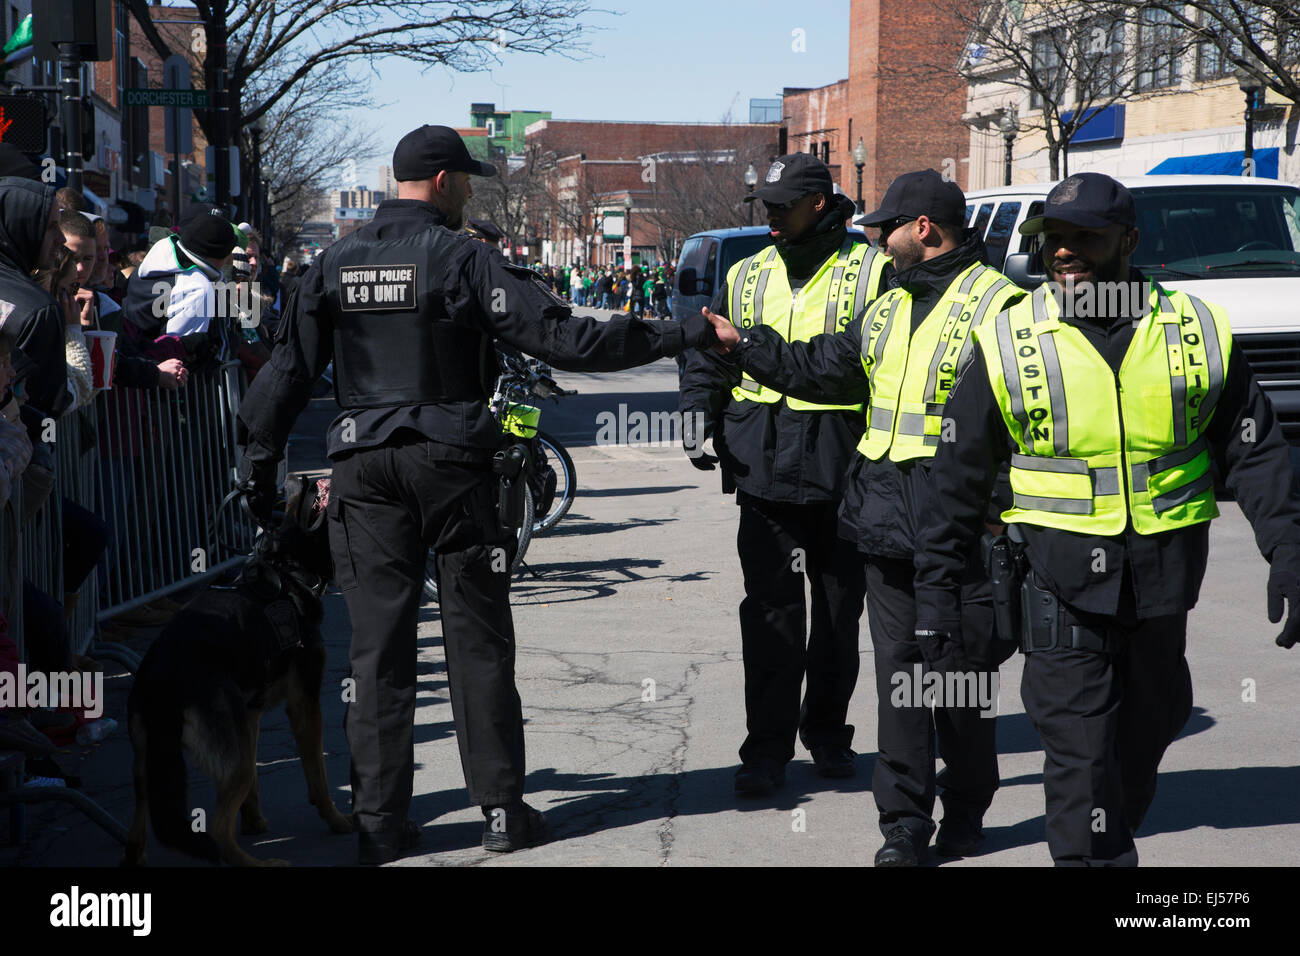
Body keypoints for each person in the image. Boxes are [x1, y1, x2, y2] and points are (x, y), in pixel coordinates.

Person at [234, 124, 718, 864]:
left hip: (364, 472)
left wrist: (256, 461)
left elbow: (285, 375)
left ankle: (379, 825)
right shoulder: (464, 257)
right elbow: (563, 337)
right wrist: (679, 335)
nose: (468, 192)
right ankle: (499, 811)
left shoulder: (331, 264)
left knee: (377, 656)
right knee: (478, 643)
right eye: (464, 180)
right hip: (454, 467)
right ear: (439, 182)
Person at [913, 172, 1300, 865]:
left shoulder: (1193, 328)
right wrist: (937, 596)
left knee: (1148, 731)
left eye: (1082, 238)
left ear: (1129, 240)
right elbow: (954, 478)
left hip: (1163, 584)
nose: (1063, 252)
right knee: (1080, 761)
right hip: (1058, 584)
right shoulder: (1011, 339)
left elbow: (1256, 448)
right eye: (1053, 240)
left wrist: (1290, 549)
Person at [707, 169, 1025, 863]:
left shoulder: (1004, 307)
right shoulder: (886, 309)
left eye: (888, 228)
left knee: (959, 677)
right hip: (885, 521)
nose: (877, 240)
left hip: (963, 525)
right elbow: (822, 367)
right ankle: (904, 825)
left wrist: (1002, 518)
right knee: (900, 680)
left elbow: (1025, 423)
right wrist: (744, 347)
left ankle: (967, 806)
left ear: (923, 229)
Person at [679, 153, 891, 794]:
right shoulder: (744, 275)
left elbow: (846, 366)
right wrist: (698, 411)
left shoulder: (872, 272)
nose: (769, 217)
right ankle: (766, 750)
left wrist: (750, 350)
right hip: (764, 468)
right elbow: (709, 354)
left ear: (820, 205)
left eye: (781, 206)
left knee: (836, 615)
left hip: (841, 464)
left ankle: (827, 735)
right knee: (770, 616)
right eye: (764, 206)